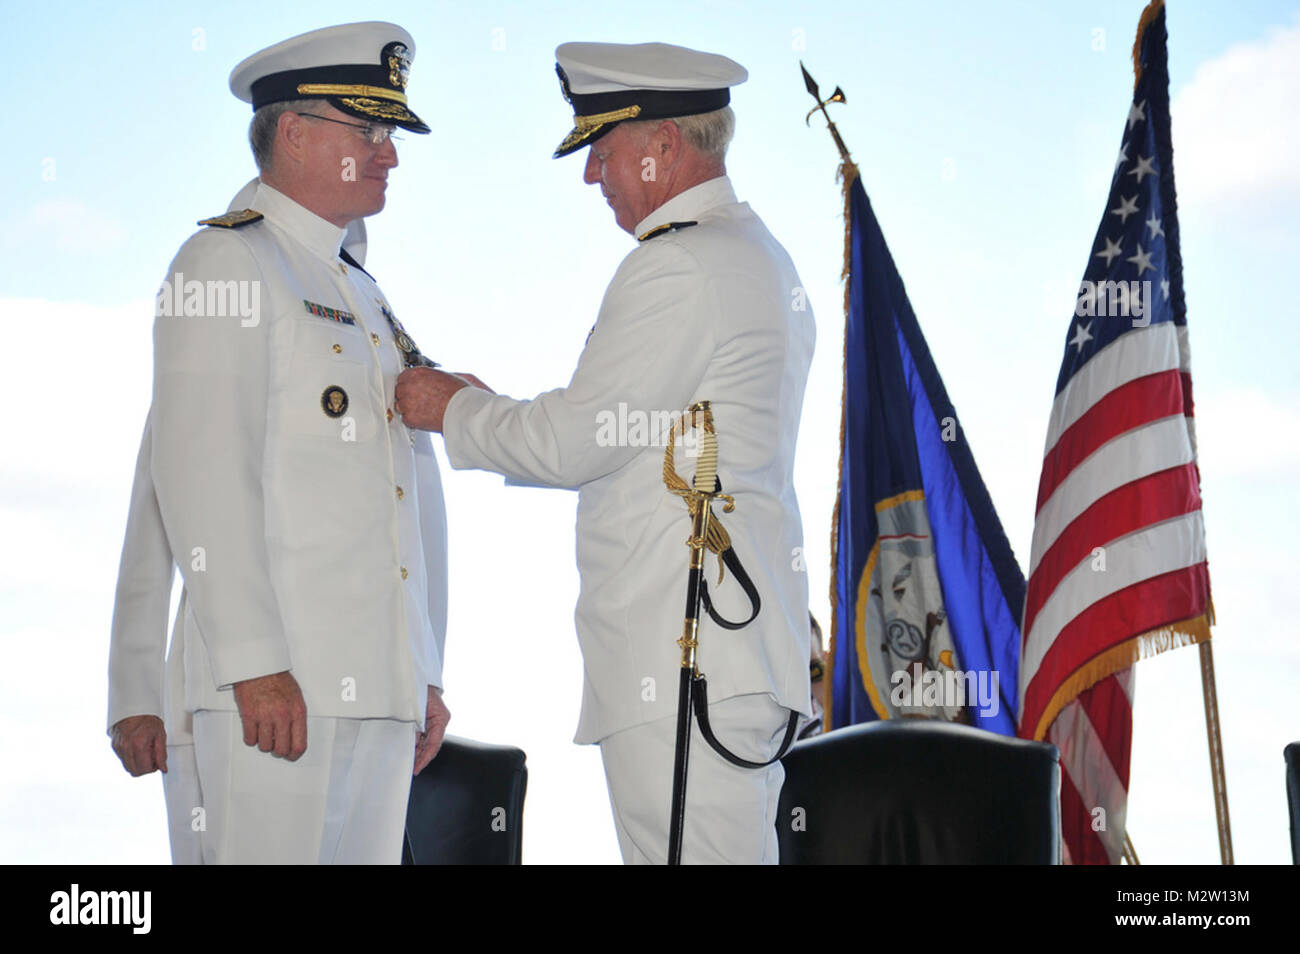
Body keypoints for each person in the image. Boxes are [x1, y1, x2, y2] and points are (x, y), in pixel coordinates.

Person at [395, 41, 815, 864]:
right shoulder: (747, 252)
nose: (593, 174)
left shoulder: (679, 265)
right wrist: (479, 409)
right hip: (721, 662)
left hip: (688, 663)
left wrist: (449, 410)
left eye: (603, 146)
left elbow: (576, 442)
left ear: (663, 145)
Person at [107, 21, 450, 865]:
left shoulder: (361, 295)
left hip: (376, 685)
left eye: (391, 135)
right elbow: (193, 478)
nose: (389, 156)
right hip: (271, 689)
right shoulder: (224, 264)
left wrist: (424, 668)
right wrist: (252, 664)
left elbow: (409, 497)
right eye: (368, 131)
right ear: (293, 134)